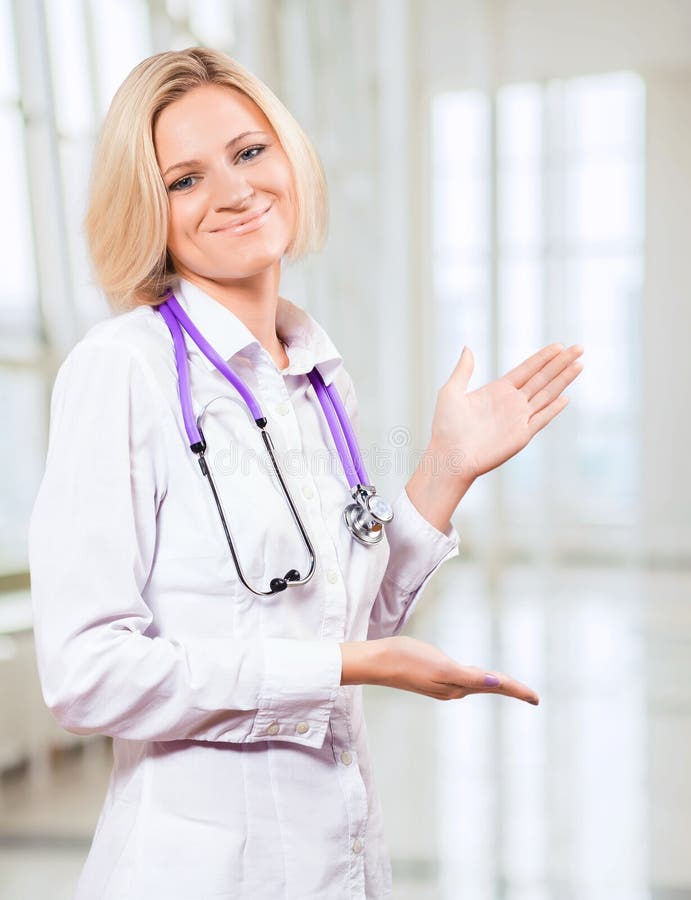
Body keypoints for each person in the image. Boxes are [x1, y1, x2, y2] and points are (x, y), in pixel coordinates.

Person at [28, 46, 583, 900]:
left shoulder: (317, 376)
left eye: (249, 152)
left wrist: (445, 469)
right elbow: (87, 673)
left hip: (340, 857)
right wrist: (342, 669)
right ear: (149, 208)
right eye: (184, 180)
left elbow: (346, 615)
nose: (234, 191)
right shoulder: (123, 371)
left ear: (288, 157)